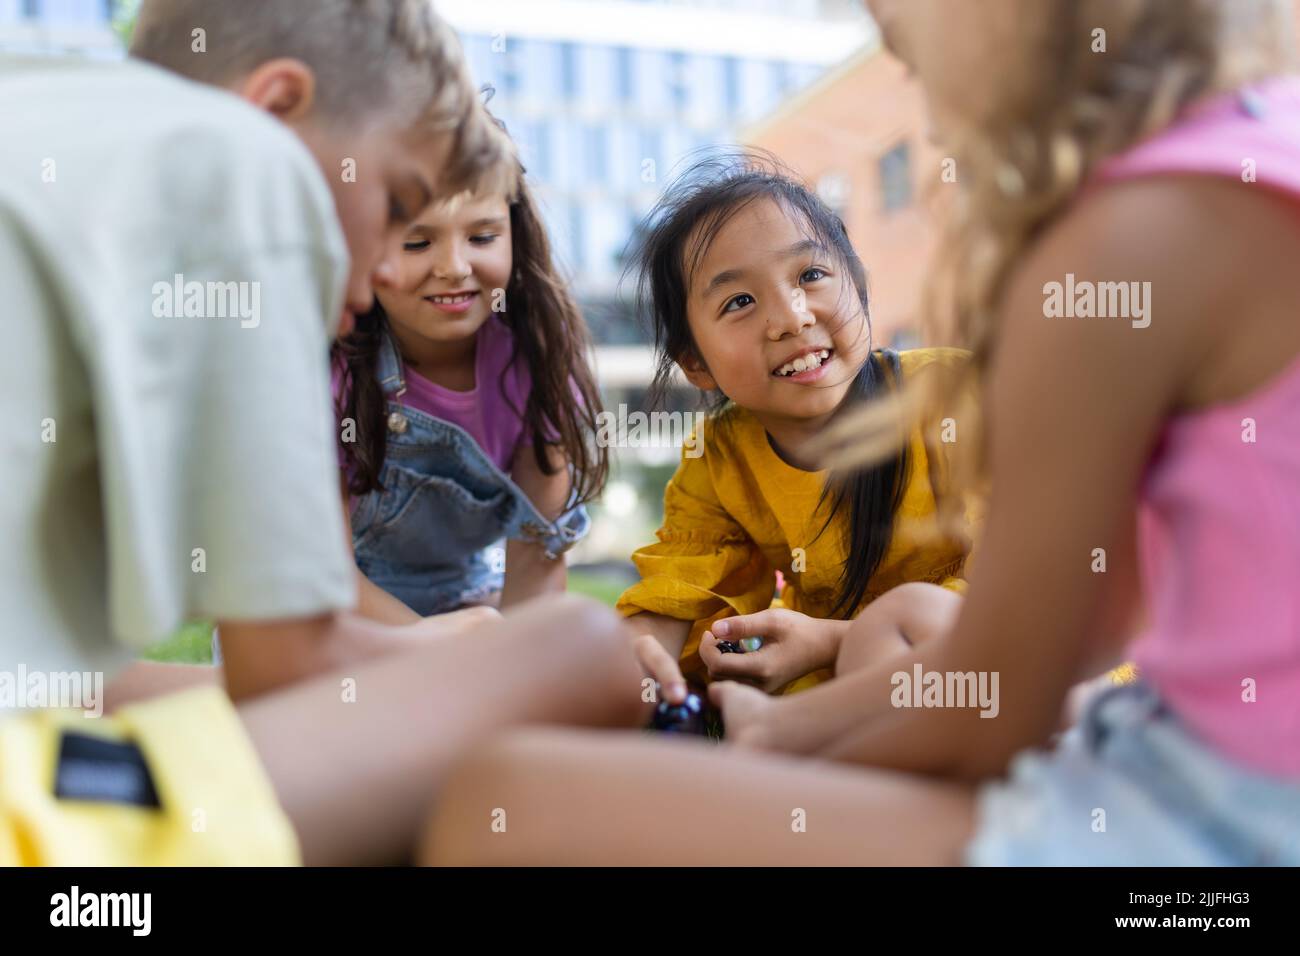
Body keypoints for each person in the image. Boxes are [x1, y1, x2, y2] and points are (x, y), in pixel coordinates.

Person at [426, 0, 1300, 866]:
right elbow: (1093, 627)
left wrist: (776, 744)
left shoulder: (1107, 258)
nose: (790, 317)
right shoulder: (1256, 150)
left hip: (1203, 825)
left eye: (812, 274)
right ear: (694, 362)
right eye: (739, 301)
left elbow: (999, 694)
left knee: (502, 797)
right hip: (1162, 758)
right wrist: (694, 686)